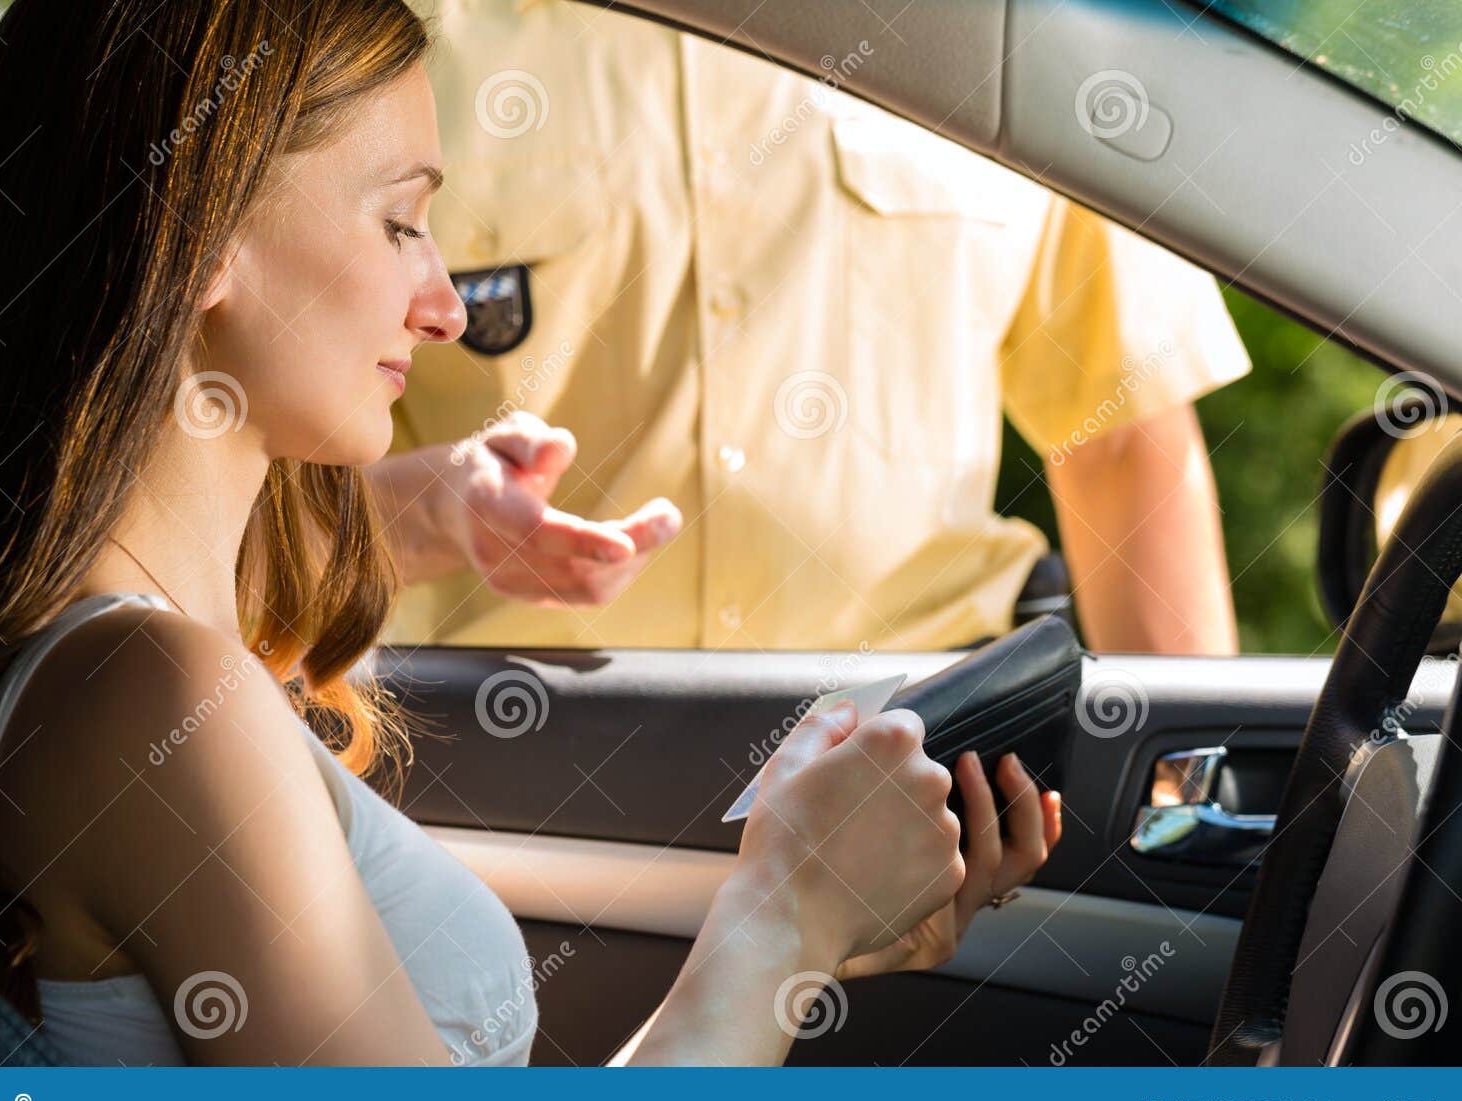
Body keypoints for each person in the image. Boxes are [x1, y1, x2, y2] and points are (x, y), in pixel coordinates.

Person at [0, 0, 1060, 1067]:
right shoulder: (155, 697)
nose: (442, 305)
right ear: (202, 232)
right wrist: (780, 921)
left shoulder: (157, 670)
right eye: (399, 224)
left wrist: (815, 928)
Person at [364, 0, 1252, 655]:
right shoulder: (380, 40)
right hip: (502, 800)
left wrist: (1185, 802)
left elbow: (1123, 444)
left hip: (931, 784)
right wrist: (436, 515)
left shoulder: (1014, 28)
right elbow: (253, 488)